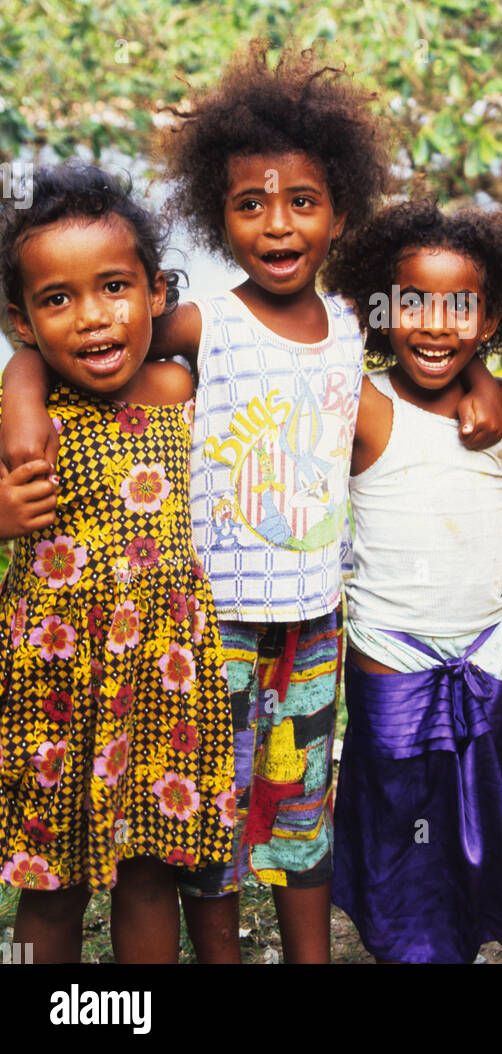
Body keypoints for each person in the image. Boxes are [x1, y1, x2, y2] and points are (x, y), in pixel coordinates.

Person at [0, 41, 502, 964]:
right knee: (210, 824)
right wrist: (24, 392)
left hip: (312, 621)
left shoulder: (358, 327)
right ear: (216, 214)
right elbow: (65, 334)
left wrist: (484, 386)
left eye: (301, 202)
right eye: (249, 203)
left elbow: (440, 354)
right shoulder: (201, 325)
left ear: (340, 211)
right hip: (208, 631)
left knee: (298, 807)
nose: (277, 224)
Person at [0, 164, 233, 964]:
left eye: (113, 288)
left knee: (149, 872)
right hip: (53, 682)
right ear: (22, 320)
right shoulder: (21, 426)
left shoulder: (174, 388)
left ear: (156, 292)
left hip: (161, 676)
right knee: (52, 882)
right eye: (57, 299)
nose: (93, 319)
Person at [323, 195, 502, 963]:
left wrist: (488, 376)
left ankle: (452, 943)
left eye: (461, 307)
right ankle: (406, 947)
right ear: (378, 310)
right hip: (392, 660)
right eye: (412, 301)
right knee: (397, 826)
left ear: (490, 319)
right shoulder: (362, 405)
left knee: (467, 822)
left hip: (483, 659)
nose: (434, 322)